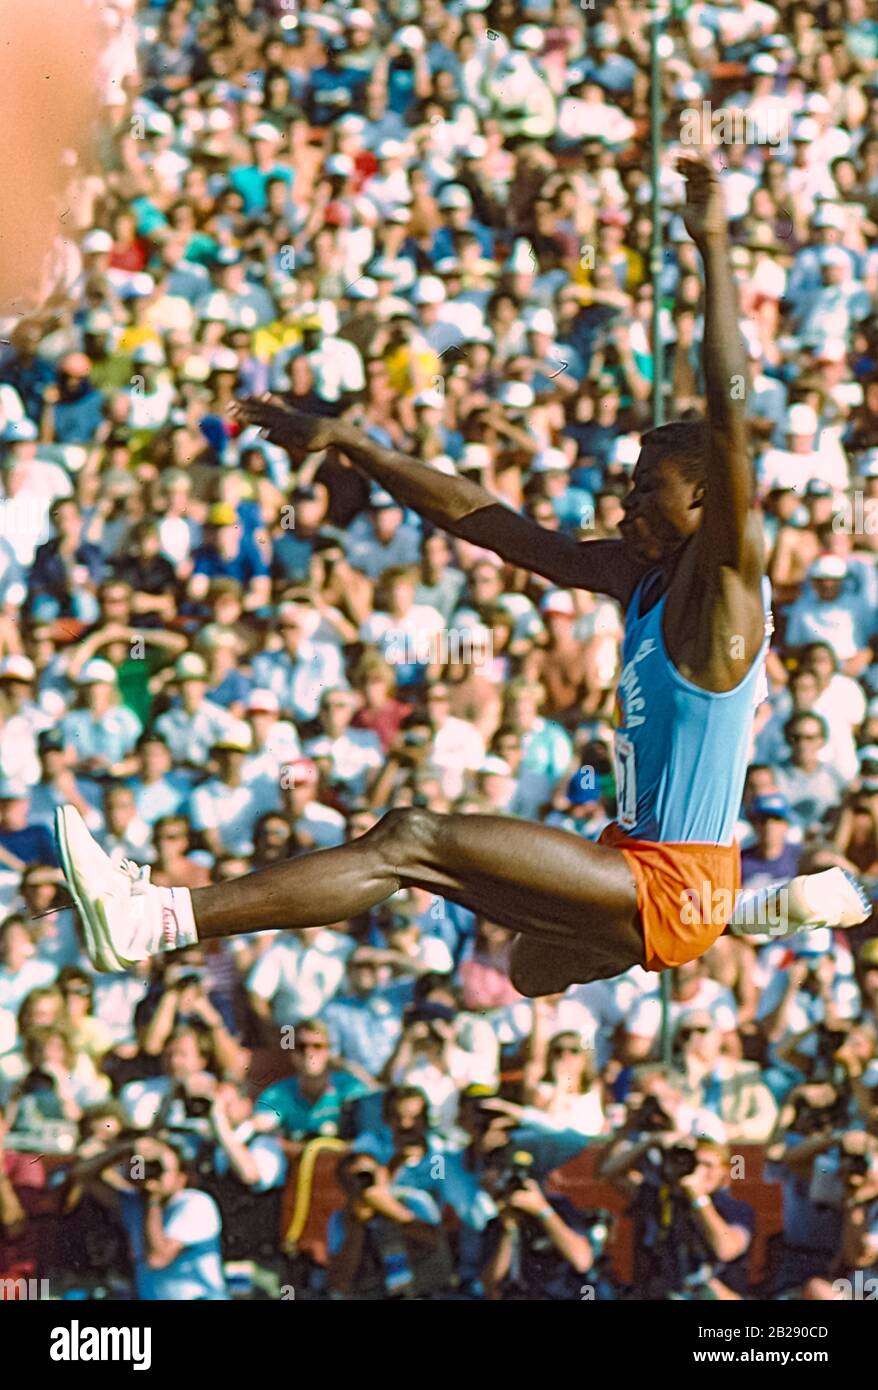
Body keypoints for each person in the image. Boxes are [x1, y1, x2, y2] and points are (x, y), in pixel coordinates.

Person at [53, 156, 870, 996]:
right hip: (643, 869)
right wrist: (359, 445)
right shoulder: (641, 582)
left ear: (705, 495)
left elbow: (730, 412)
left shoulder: (723, 584)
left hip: (670, 879)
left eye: (644, 487)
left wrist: (714, 246)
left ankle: (155, 920)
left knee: (411, 835)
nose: (623, 503)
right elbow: (488, 523)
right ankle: (741, 912)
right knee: (525, 965)